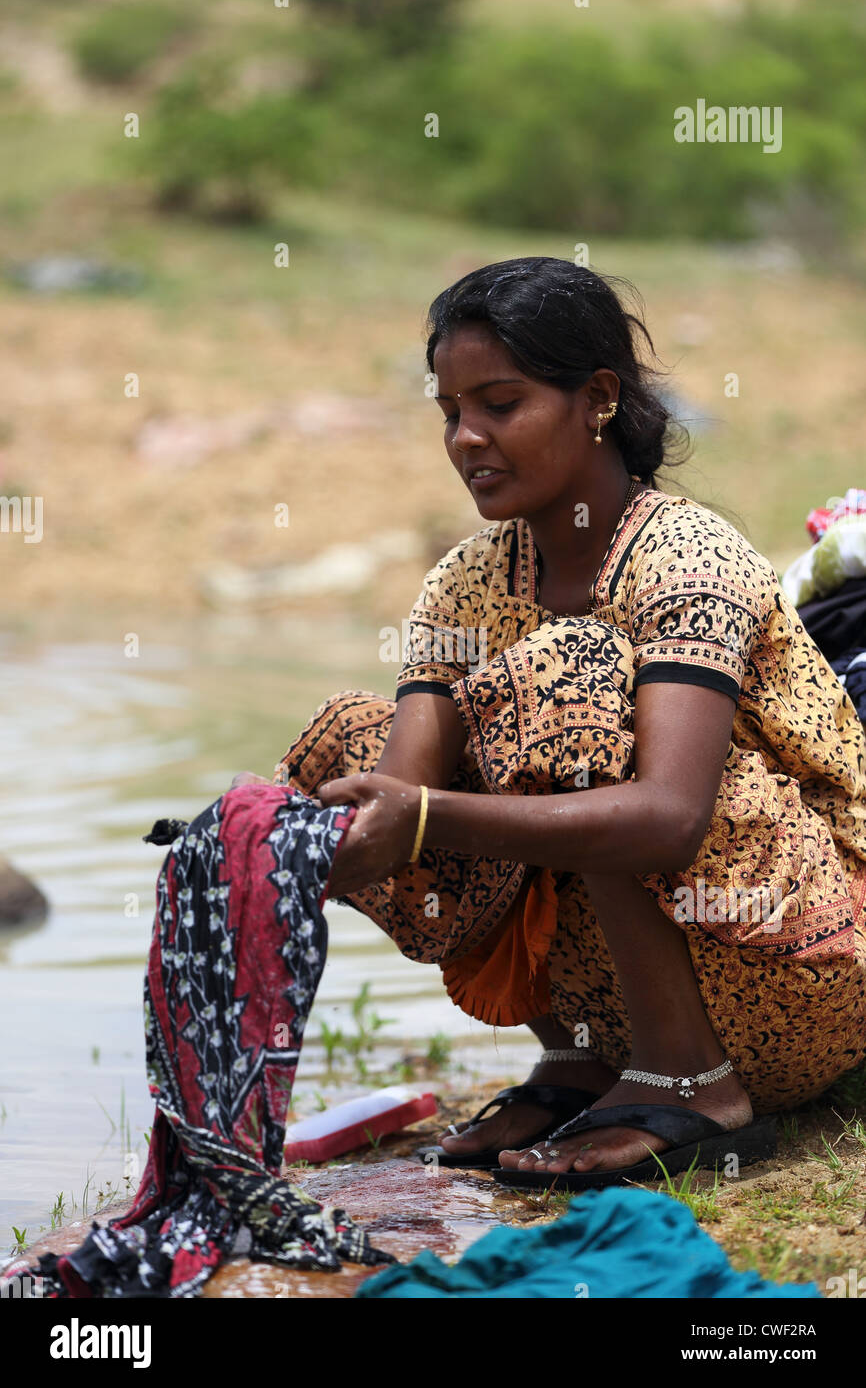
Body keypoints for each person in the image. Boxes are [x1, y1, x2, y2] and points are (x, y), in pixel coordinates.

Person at [265, 258, 866, 1188]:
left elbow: (670, 818)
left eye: (500, 405)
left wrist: (421, 817)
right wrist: (291, 834)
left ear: (595, 398)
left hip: (802, 969)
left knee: (563, 676)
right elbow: (405, 789)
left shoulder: (684, 554)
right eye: (450, 413)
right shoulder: (468, 578)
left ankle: (692, 1084)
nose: (467, 439)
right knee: (351, 740)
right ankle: (585, 1060)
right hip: (626, 986)